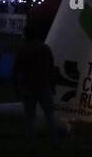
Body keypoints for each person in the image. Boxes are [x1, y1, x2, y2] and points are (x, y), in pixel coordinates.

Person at [15, 21, 60, 149]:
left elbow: (16, 69)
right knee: (50, 116)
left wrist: (17, 86)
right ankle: (55, 143)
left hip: (27, 87)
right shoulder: (44, 48)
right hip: (43, 85)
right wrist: (52, 85)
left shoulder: (22, 49)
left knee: (30, 118)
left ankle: (31, 144)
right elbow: (51, 68)